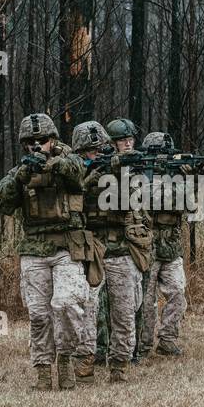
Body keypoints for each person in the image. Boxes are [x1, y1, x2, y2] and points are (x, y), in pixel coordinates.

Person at [0, 113, 99, 391]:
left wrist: (54, 164)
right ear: (24, 144)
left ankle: (64, 359)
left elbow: (79, 173)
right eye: (31, 142)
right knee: (38, 315)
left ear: (53, 140)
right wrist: (22, 176)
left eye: (43, 140)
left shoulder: (68, 160)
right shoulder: (22, 171)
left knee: (67, 304)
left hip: (67, 248)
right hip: (34, 251)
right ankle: (42, 372)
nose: (37, 146)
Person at [71, 120, 150, 383]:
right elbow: (72, 197)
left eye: (98, 150)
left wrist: (117, 172)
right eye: (88, 152)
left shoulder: (123, 170)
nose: (94, 155)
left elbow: (134, 202)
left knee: (125, 311)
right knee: (87, 310)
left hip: (120, 249)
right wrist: (93, 174)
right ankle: (85, 365)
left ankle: (120, 366)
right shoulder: (74, 171)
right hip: (90, 248)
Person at [136, 131, 189, 358]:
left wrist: (184, 180)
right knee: (146, 301)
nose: (162, 158)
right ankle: (143, 344)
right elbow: (148, 202)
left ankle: (168, 339)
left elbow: (189, 206)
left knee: (178, 292)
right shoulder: (139, 175)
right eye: (157, 154)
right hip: (147, 244)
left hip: (171, 245)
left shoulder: (177, 176)